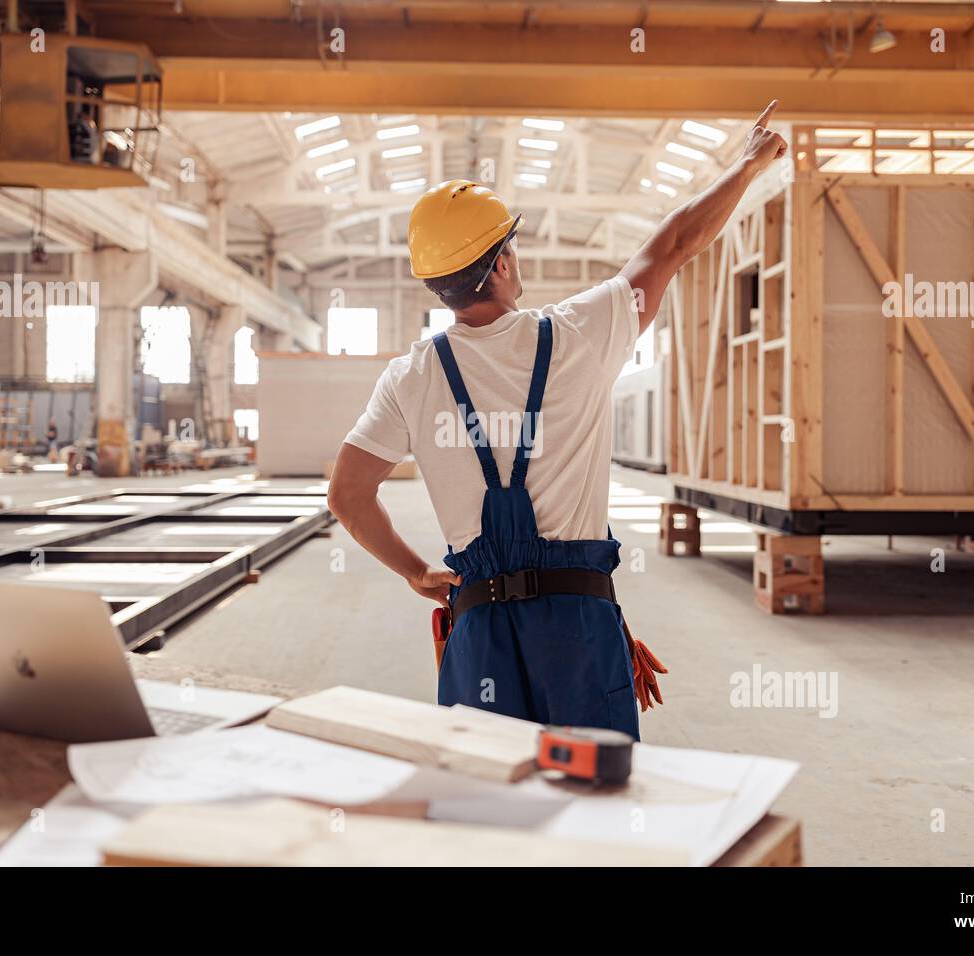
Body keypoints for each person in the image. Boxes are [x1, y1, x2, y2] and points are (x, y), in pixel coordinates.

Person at [328, 102, 788, 738]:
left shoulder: (410, 376)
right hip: (577, 622)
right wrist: (748, 164)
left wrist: (415, 572)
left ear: (438, 284)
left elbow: (348, 497)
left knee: (492, 804)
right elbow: (674, 244)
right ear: (503, 265)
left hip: (480, 627)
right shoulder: (581, 334)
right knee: (591, 801)